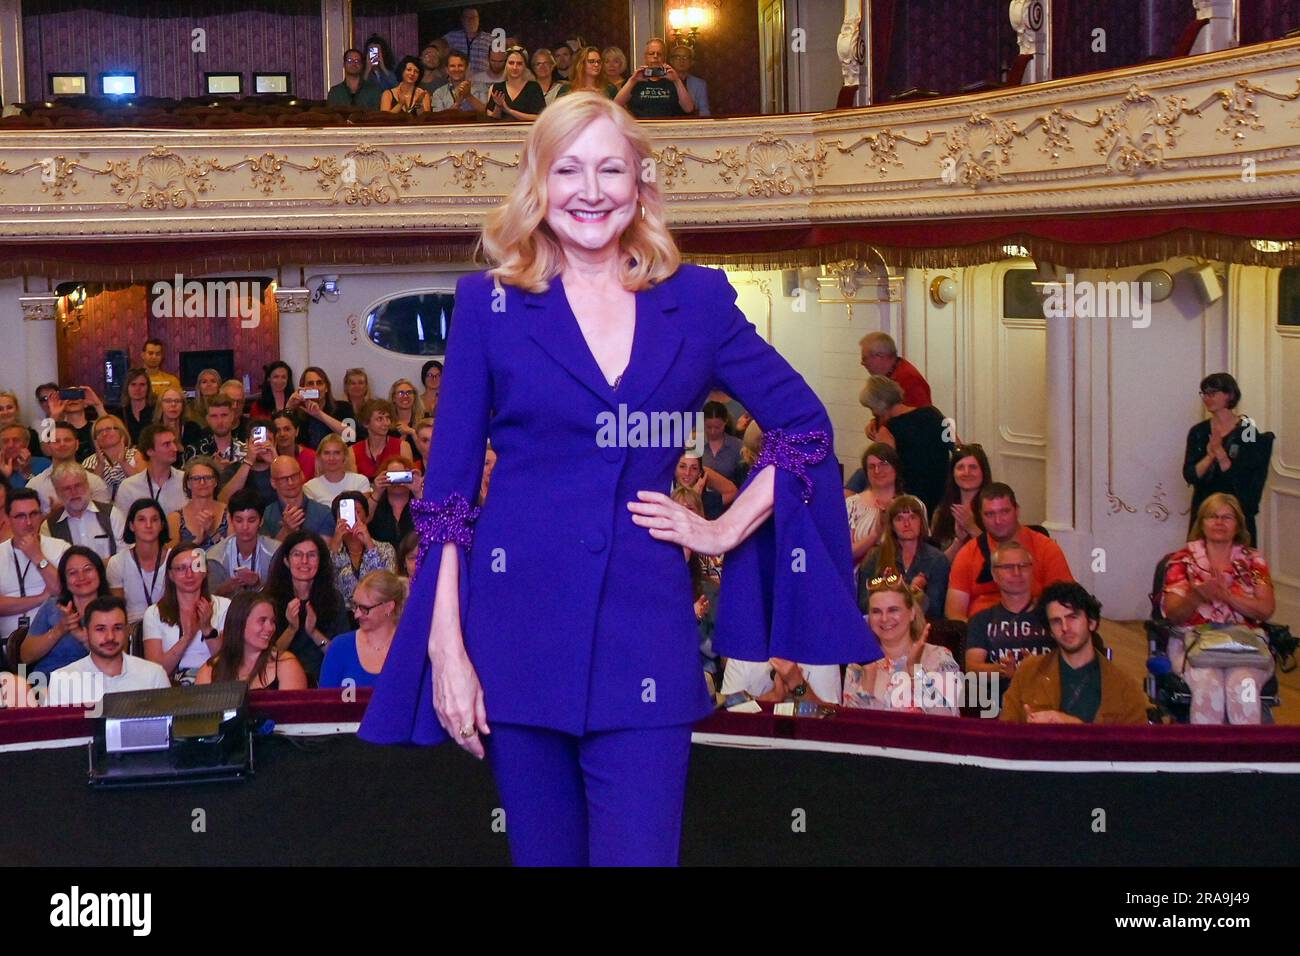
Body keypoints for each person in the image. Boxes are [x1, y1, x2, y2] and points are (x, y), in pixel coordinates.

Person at [358, 93, 877, 866]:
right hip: (515, 631)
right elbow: (446, 504)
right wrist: (448, 653)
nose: (590, 190)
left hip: (646, 633)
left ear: (640, 183)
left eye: (610, 169)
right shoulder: (489, 305)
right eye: (568, 169)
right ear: (539, 181)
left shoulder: (696, 301)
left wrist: (722, 529)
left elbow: (805, 429)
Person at [1160, 493, 1275, 724]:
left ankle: (1246, 757)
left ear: (1238, 525)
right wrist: (1197, 595)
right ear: (1201, 523)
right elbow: (1172, 614)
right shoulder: (1182, 561)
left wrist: (1228, 597)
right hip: (1193, 644)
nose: (1219, 522)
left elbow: (1266, 608)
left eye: (1227, 517)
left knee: (1243, 686)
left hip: (1246, 646)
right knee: (1207, 685)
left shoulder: (1253, 561)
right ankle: (1207, 757)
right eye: (1212, 516)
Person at [1000, 582, 1149, 724]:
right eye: (1056, 621)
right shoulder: (1029, 672)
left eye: (1072, 617)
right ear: (1050, 631)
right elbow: (1005, 733)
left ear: (1092, 622)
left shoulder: (1124, 687)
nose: (1065, 627)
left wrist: (1076, 727)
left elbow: (1134, 746)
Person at [944, 482, 1074, 621]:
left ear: (1017, 511)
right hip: (983, 635)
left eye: (1004, 512)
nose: (998, 521)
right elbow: (955, 614)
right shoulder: (968, 553)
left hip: (1035, 630)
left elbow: (1066, 601)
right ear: (980, 516)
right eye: (990, 514)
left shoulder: (1046, 548)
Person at [842, 574, 960, 715]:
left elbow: (948, 720)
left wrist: (915, 671)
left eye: (893, 610)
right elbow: (849, 730)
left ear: (912, 613)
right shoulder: (858, 664)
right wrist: (868, 679)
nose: (884, 618)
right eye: (876, 612)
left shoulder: (940, 657)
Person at [964, 541, 1056, 707]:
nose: (1017, 572)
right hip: (999, 702)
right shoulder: (982, 620)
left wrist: (1036, 669)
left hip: (1049, 698)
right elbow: (972, 668)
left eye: (1023, 566)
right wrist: (1002, 671)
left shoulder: (1053, 616)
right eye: (1008, 567)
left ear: (1032, 569)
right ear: (994, 574)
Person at [1182, 372, 1269, 546]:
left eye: (1212, 393)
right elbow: (1190, 475)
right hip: (1205, 505)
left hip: (1236, 506)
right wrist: (1210, 455)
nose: (1207, 398)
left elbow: (1248, 475)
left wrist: (1221, 453)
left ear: (1229, 394)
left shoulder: (1248, 429)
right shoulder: (1198, 431)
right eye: (1204, 393)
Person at [46, 596, 170, 707]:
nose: (110, 637)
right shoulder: (62, 680)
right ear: (87, 632)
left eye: (117, 628)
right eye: (100, 629)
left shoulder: (153, 675)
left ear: (127, 630)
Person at [265, 529, 350, 685]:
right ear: (286, 560)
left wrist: (313, 632)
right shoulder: (268, 600)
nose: (304, 561)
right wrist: (291, 629)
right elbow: (266, 658)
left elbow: (341, 657)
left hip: (323, 680)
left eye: (311, 555)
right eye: (297, 554)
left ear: (320, 560)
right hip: (281, 681)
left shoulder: (334, 599)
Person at [859, 374, 953, 514]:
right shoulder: (932, 413)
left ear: (879, 405)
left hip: (911, 500)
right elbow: (957, 447)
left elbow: (885, 473)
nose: (873, 413)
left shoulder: (888, 431)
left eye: (872, 408)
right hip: (943, 495)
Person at [142, 545, 229, 683]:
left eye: (196, 566)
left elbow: (229, 663)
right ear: (170, 575)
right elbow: (155, 671)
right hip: (170, 687)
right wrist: (187, 637)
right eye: (181, 568)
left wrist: (207, 629)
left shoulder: (224, 606)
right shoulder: (153, 613)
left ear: (205, 571)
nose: (189, 574)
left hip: (213, 682)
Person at [17, 546, 108, 678]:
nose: (81, 577)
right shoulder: (52, 607)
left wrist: (84, 638)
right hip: (45, 684)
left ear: (99, 572)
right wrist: (59, 629)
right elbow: (25, 656)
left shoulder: (112, 609)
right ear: (64, 580)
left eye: (87, 569)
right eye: (72, 573)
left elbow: (116, 661)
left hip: (93, 684)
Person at [857, 495, 949, 619]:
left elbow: (934, 610)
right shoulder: (874, 557)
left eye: (912, 517)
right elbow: (863, 605)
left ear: (921, 522)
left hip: (921, 627)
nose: (907, 524)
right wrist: (906, 591)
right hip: (881, 624)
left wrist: (914, 592)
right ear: (892, 526)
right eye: (899, 518)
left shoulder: (937, 559)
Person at [196, 590, 307, 691]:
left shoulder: (287, 666)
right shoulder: (209, 671)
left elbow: (292, 712)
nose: (270, 628)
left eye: (272, 621)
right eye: (262, 621)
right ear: (239, 623)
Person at [0, 488, 69, 637]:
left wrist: (37, 557)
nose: (28, 522)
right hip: (6, 642)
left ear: (41, 515)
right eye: (20, 516)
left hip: (52, 639)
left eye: (34, 514)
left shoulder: (61, 548)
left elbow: (63, 591)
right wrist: (41, 598)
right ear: (8, 518)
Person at [320, 569, 404, 689]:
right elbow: (324, 703)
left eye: (365, 608)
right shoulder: (340, 647)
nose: (357, 614)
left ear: (388, 607)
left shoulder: (410, 648)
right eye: (355, 606)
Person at [41, 463, 127, 560]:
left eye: (78, 485)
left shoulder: (111, 515)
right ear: (57, 492)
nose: (74, 492)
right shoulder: (49, 526)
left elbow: (125, 556)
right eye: (67, 489)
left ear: (88, 485)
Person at [105, 499, 171, 625]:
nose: (148, 525)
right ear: (131, 525)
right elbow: (118, 611)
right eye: (141, 520)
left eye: (154, 519)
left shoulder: (174, 559)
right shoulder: (117, 563)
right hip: (132, 629)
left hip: (168, 625)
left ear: (162, 525)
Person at [205, 489, 279, 597]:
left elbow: (281, 596)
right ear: (231, 520)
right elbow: (210, 600)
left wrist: (258, 583)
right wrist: (224, 590)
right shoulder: (215, 556)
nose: (245, 527)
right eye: (239, 520)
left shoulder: (276, 552)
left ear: (261, 521)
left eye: (251, 520)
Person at [26, 424, 112, 514]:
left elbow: (105, 518)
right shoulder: (35, 485)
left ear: (77, 444)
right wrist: (53, 515)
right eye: (56, 441)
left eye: (67, 440)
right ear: (48, 447)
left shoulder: (94, 482)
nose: (62, 444)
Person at [328, 491, 395, 604]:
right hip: (343, 615)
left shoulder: (386, 548)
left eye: (357, 512)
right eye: (346, 513)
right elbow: (328, 584)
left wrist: (369, 545)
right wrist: (334, 547)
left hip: (377, 612)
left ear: (367, 516)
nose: (352, 517)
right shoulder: (331, 552)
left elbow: (386, 584)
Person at [930, 443, 992, 560]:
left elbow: (1000, 555)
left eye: (973, 467)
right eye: (960, 467)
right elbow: (938, 565)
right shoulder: (941, 512)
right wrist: (958, 540)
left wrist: (972, 528)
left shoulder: (995, 509)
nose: (966, 473)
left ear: (983, 472)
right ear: (953, 473)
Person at [845, 442, 902, 568]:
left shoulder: (912, 505)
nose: (877, 471)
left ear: (895, 468)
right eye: (871, 467)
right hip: (859, 581)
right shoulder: (851, 505)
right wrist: (876, 533)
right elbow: (844, 554)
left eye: (883, 464)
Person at [114, 424, 187, 517]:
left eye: (174, 443)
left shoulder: (186, 481)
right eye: (167, 444)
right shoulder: (129, 487)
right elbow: (122, 526)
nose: (175, 449)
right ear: (150, 451)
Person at [615, 37, 694, 118]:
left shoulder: (673, 80)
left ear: (664, 58)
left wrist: (677, 81)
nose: (655, 56)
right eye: (651, 53)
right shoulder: (635, 79)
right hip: (640, 127)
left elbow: (688, 108)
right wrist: (632, 80)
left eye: (659, 54)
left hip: (667, 127)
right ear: (645, 57)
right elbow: (616, 105)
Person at [262, 455, 335, 540]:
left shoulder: (324, 513)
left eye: (294, 476)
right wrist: (285, 531)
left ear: (302, 475)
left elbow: (325, 552)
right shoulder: (266, 515)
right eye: (284, 479)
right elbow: (265, 552)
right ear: (273, 483)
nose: (290, 482)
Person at [166, 457, 229, 549]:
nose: (202, 483)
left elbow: (232, 553)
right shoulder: (175, 518)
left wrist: (212, 532)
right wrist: (197, 541)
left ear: (215, 482)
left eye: (208, 478)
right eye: (196, 478)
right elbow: (171, 557)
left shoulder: (229, 513)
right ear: (188, 483)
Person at [860, 331, 931, 408]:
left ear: (879, 356)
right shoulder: (892, 375)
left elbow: (920, 417)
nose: (862, 363)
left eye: (864, 358)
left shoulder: (908, 380)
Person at [82, 413, 145, 499]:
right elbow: (89, 492)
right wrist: (100, 465)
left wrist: (123, 463)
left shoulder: (136, 454)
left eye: (108, 429)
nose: (104, 434)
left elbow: (144, 485)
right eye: (99, 432)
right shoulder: (88, 462)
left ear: (121, 431)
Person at [288, 366, 350, 451]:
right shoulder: (298, 412)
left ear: (326, 388)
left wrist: (319, 414)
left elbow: (350, 435)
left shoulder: (344, 407)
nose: (315, 387)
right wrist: (289, 406)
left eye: (319, 383)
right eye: (310, 383)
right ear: (303, 388)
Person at [350, 399, 412, 481]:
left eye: (387, 418)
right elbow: (353, 485)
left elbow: (408, 479)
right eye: (379, 419)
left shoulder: (403, 446)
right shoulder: (353, 451)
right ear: (366, 423)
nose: (386, 423)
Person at [304, 434, 371, 507]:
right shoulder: (310, 487)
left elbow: (365, 515)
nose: (331, 458)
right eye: (326, 453)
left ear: (345, 456)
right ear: (320, 457)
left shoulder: (360, 481)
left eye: (337, 453)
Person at [368, 455, 420, 547]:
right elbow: (364, 519)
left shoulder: (418, 501)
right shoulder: (377, 504)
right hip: (381, 558)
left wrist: (417, 492)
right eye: (392, 476)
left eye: (402, 476)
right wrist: (377, 492)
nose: (397, 482)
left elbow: (432, 521)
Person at [191, 395, 245, 479]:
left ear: (232, 416)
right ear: (208, 419)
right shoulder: (194, 451)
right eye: (214, 416)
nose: (220, 421)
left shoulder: (246, 452)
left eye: (224, 415)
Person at [671, 450, 735, 521]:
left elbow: (732, 491)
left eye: (694, 468)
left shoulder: (708, 500)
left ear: (699, 473)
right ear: (674, 469)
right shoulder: (665, 493)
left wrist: (706, 473)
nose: (687, 473)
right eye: (682, 466)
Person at [485, 47, 545, 121]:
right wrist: (498, 107)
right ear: (505, 65)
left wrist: (510, 111)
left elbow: (540, 117)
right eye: (511, 63)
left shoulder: (533, 87)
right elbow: (491, 118)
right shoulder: (497, 87)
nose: (515, 67)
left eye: (519, 64)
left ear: (525, 66)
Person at [700, 401, 745, 486]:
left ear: (725, 422)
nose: (713, 432)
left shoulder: (738, 446)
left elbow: (742, 482)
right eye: (708, 427)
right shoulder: (693, 444)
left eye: (717, 427)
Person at [153, 388, 204, 461]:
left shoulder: (193, 428)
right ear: (160, 405)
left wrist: (177, 443)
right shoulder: (152, 430)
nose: (173, 404)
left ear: (183, 406)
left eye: (177, 401)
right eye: (168, 401)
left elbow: (197, 457)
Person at [442, 6, 493, 76]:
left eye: (474, 17)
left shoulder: (490, 38)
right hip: (457, 82)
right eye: (467, 18)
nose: (471, 20)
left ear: (478, 20)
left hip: (483, 83)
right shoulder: (451, 37)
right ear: (462, 20)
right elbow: (437, 49)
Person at [0, 422, 49, 491]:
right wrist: (3, 477)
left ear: (26, 443)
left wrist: (27, 473)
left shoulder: (44, 464)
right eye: (5, 441)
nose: (10, 445)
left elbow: (45, 493)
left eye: (16, 440)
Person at [270, 410, 315, 481]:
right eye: (277, 430)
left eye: (287, 429)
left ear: (296, 431)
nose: (282, 434)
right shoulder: (268, 457)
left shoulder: (311, 457)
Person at [117, 368, 156, 446]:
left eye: (142, 384)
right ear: (127, 387)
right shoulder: (120, 412)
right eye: (133, 384)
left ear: (148, 388)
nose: (137, 389)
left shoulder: (156, 410)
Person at [668, 44, 710, 116]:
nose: (681, 61)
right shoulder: (664, 81)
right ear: (671, 61)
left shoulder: (700, 84)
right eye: (677, 57)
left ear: (691, 62)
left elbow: (704, 110)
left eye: (685, 57)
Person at [0, 390, 42, 458]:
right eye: (0, 409)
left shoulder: (31, 435)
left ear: (17, 409)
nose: (5, 412)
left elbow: (39, 464)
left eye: (9, 407)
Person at [388, 379, 421, 449]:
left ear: (414, 397)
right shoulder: (387, 423)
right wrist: (403, 436)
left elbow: (428, 452)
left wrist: (412, 432)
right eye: (400, 393)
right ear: (393, 398)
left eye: (409, 392)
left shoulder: (424, 419)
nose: (405, 396)